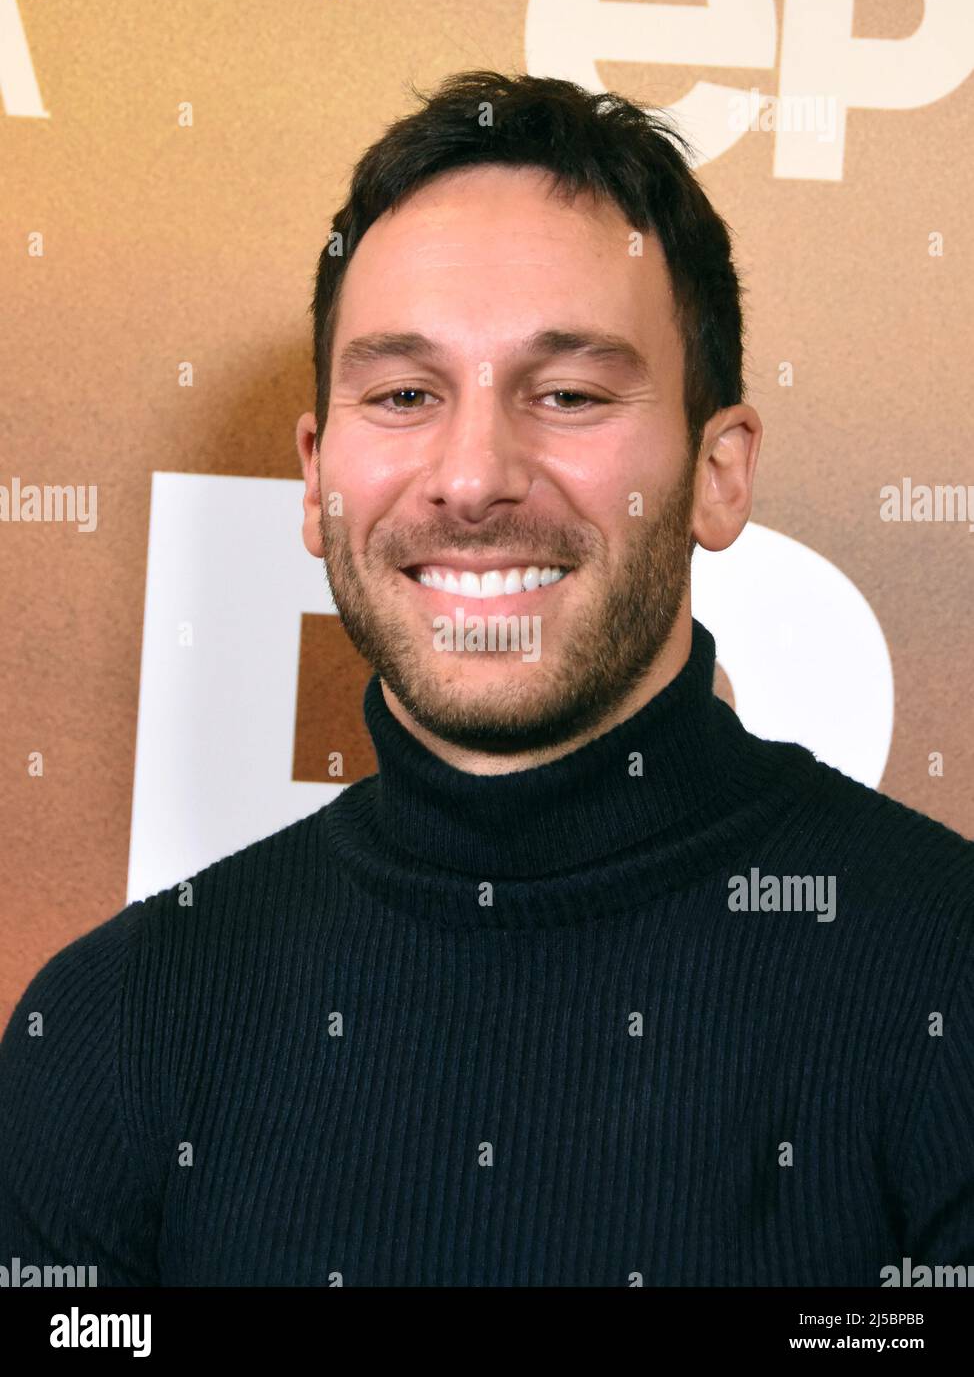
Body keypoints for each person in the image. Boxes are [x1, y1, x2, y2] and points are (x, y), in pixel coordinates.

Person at [1, 70, 971, 1288]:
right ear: (314, 479)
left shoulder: (945, 972)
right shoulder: (105, 1030)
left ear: (718, 473)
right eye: (404, 395)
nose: (471, 478)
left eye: (566, 393)